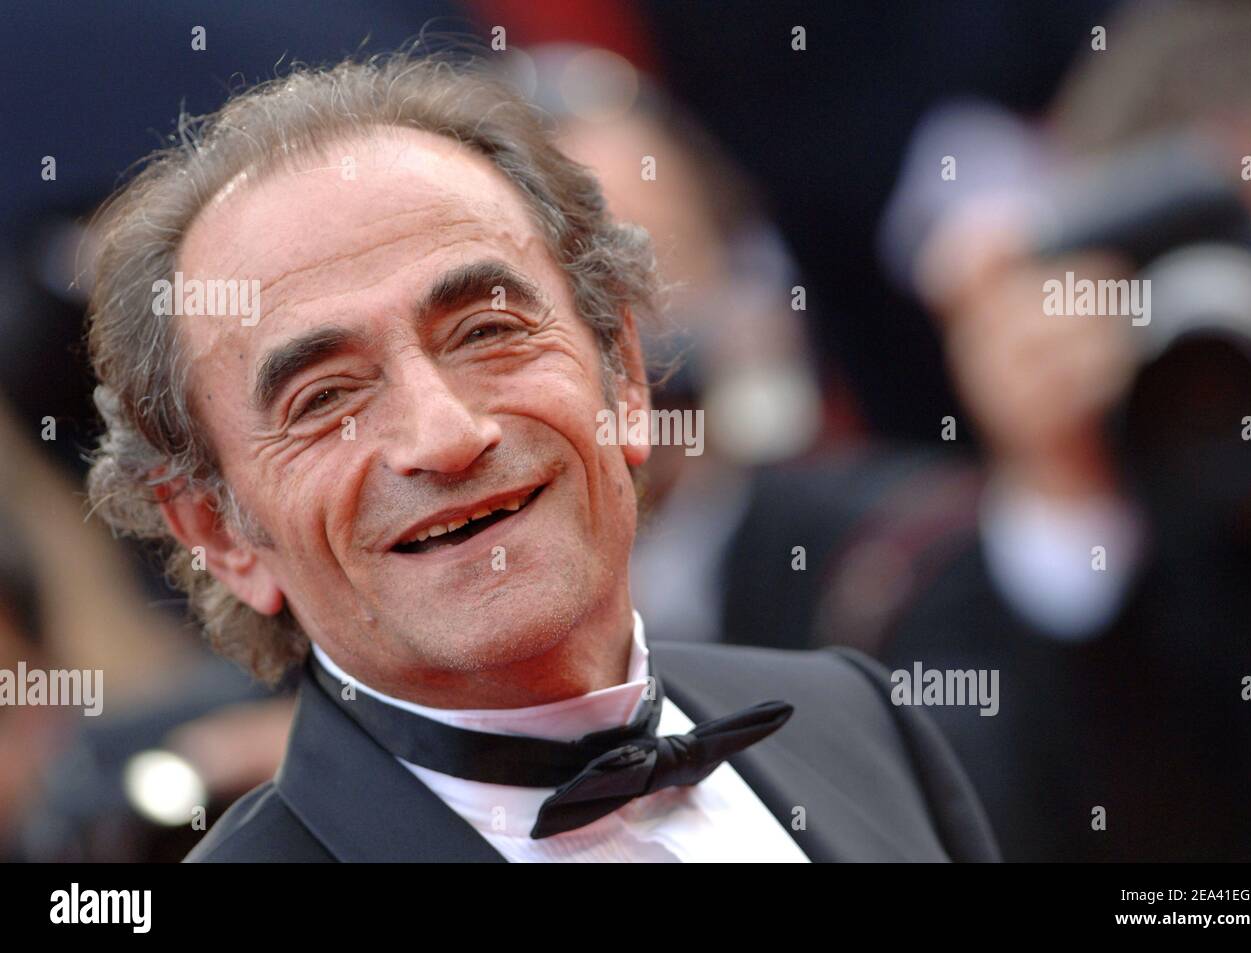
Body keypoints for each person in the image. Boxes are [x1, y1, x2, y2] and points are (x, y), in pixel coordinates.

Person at [83, 49, 998, 863]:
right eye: (324, 398)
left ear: (626, 378)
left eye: (487, 331)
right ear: (220, 529)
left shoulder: (855, 722)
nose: (445, 434)